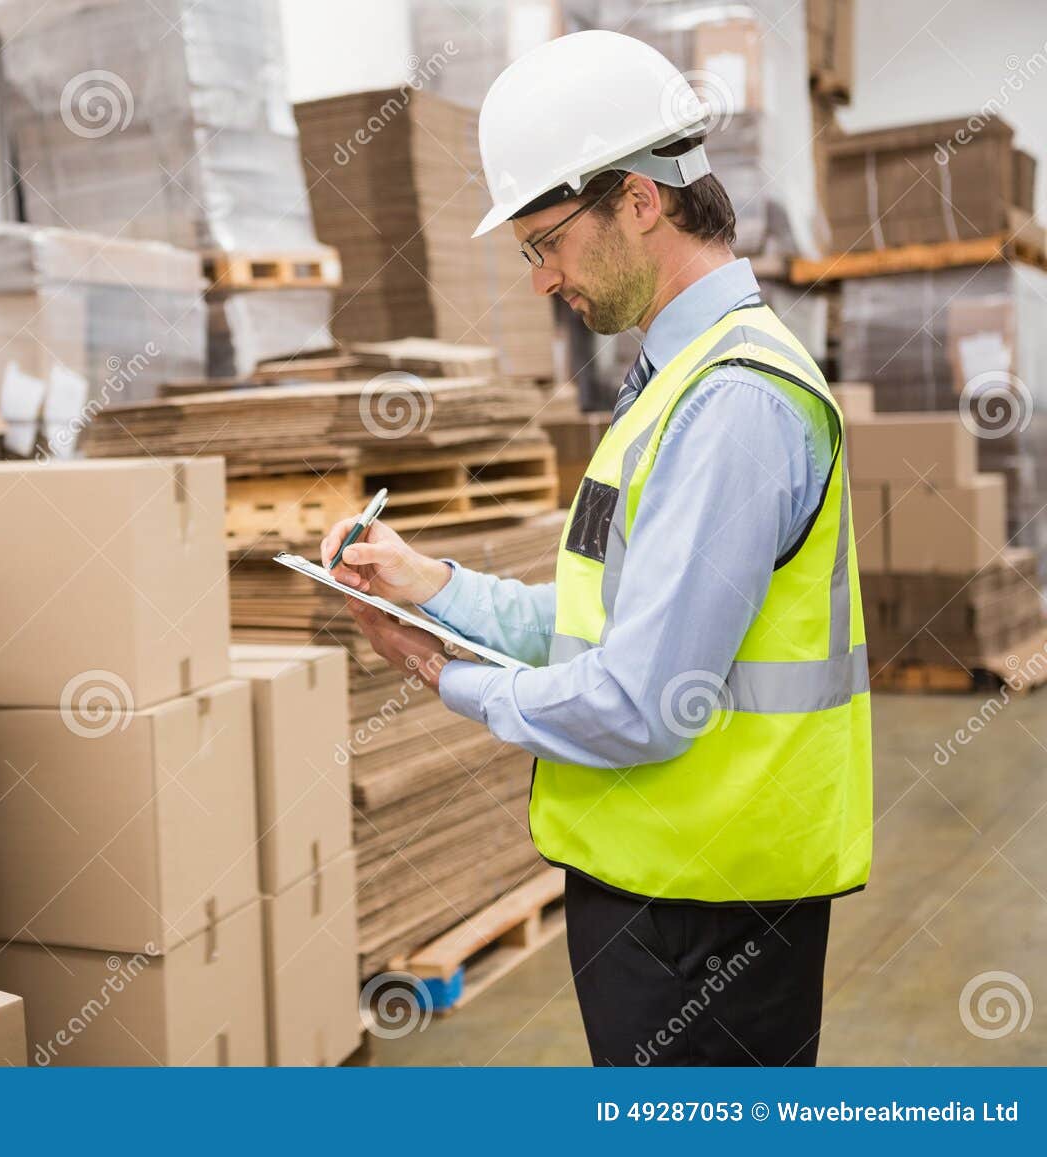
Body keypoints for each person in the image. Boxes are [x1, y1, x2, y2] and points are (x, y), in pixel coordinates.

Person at [321, 29, 872, 1067]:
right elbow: (595, 625)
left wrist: (445, 679)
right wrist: (427, 583)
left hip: (706, 914)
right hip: (666, 891)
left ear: (638, 197)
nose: (540, 281)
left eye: (544, 242)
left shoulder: (730, 403)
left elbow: (635, 699)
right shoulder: (675, 382)